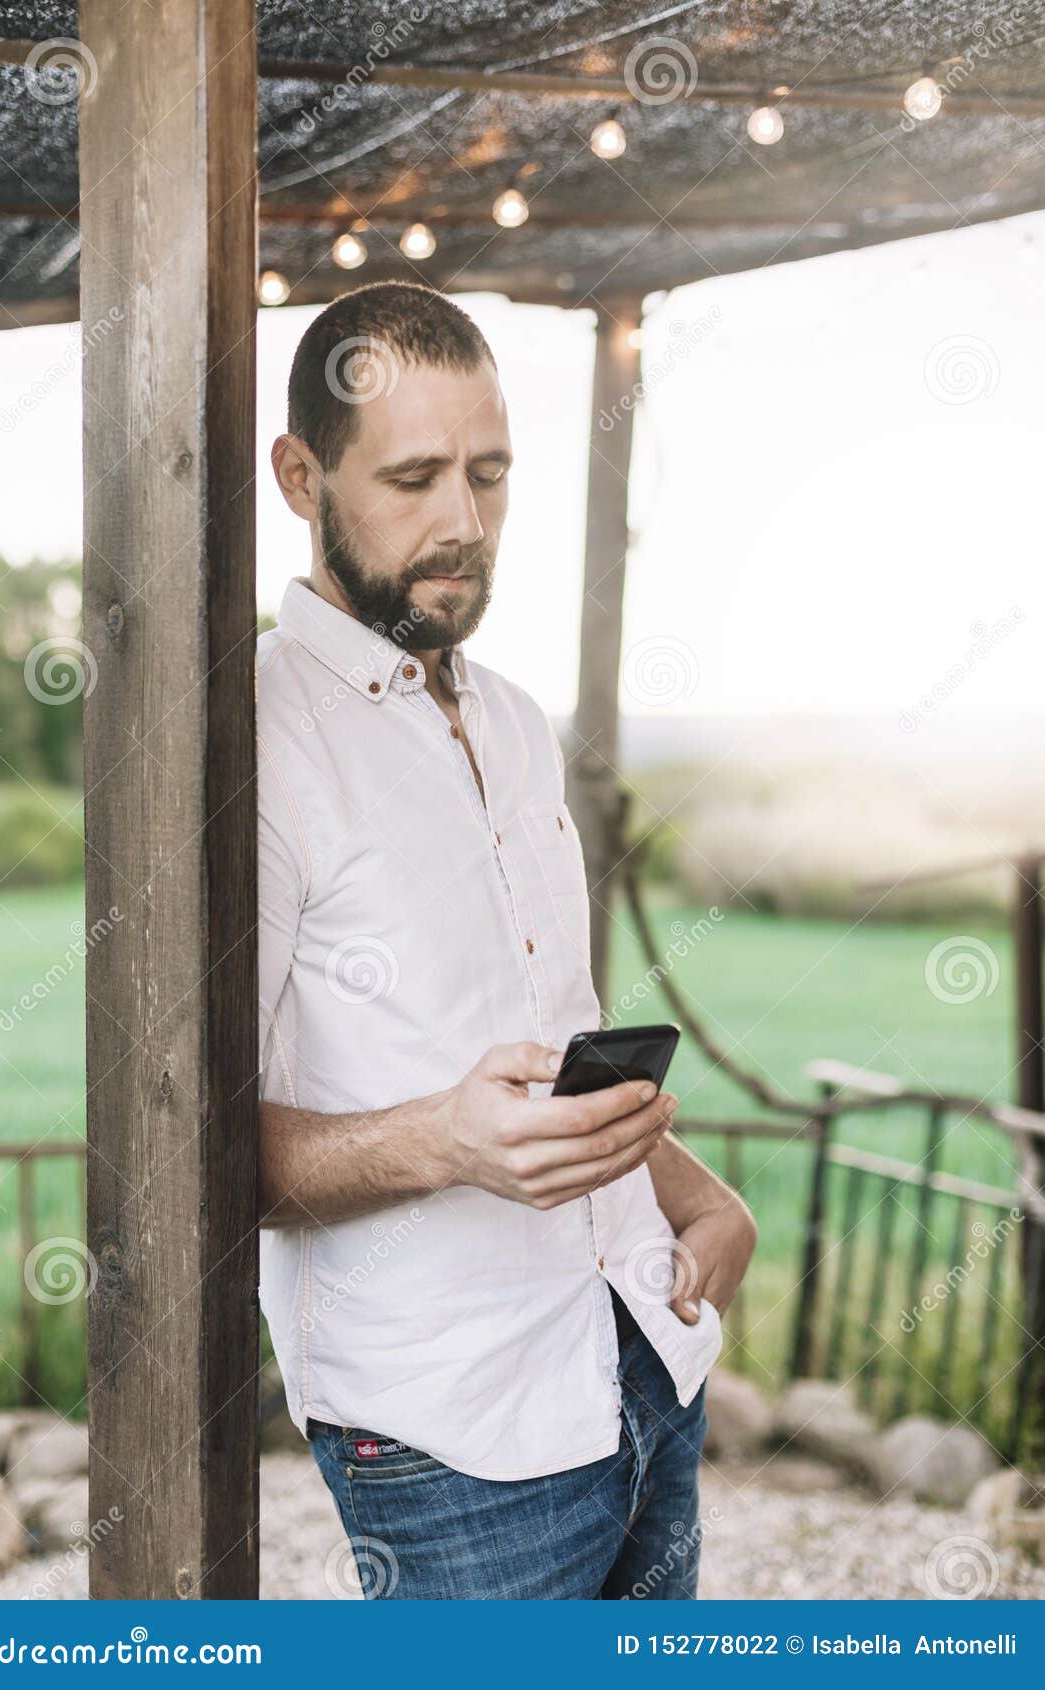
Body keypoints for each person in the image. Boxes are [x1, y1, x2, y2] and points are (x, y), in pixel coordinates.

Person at [257, 280, 756, 1600]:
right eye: (413, 478)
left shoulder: (519, 722)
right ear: (300, 476)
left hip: (640, 1356)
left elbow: (547, 1052)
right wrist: (445, 1141)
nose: (464, 525)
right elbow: (185, 1146)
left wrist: (698, 1198)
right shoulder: (250, 747)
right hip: (450, 1434)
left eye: (489, 475)